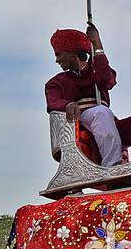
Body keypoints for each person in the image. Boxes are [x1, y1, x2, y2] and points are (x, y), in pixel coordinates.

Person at [46, 24, 125, 166]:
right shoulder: (56, 82)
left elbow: (106, 81)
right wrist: (68, 104)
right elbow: (53, 102)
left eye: (59, 54)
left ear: (71, 52)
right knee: (100, 112)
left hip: (107, 121)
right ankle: (113, 167)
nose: (57, 60)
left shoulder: (97, 68)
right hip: (81, 121)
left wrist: (98, 46)